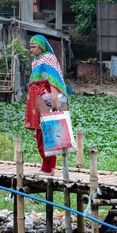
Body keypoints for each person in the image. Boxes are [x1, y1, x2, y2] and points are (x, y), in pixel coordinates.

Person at [24, 34, 69, 175]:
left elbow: (53, 81)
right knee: (43, 134)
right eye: (30, 47)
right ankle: (51, 168)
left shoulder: (48, 59)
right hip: (36, 104)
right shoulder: (36, 61)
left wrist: (54, 104)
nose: (31, 50)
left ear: (41, 47)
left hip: (45, 103)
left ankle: (47, 168)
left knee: (45, 136)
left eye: (34, 47)